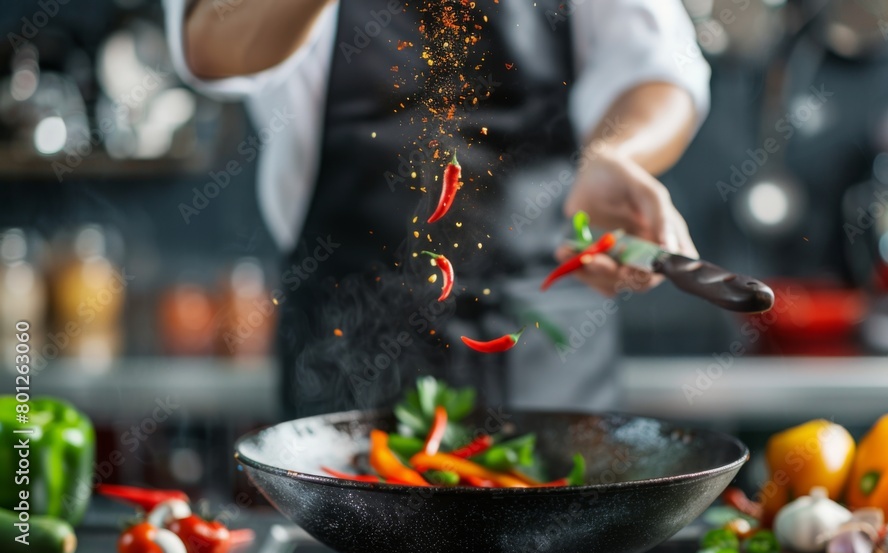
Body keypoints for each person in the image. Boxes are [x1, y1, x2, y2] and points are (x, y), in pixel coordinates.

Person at [165, 0, 711, 419]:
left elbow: (660, 69)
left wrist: (611, 155)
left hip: (551, 333)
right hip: (347, 337)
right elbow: (211, 42)